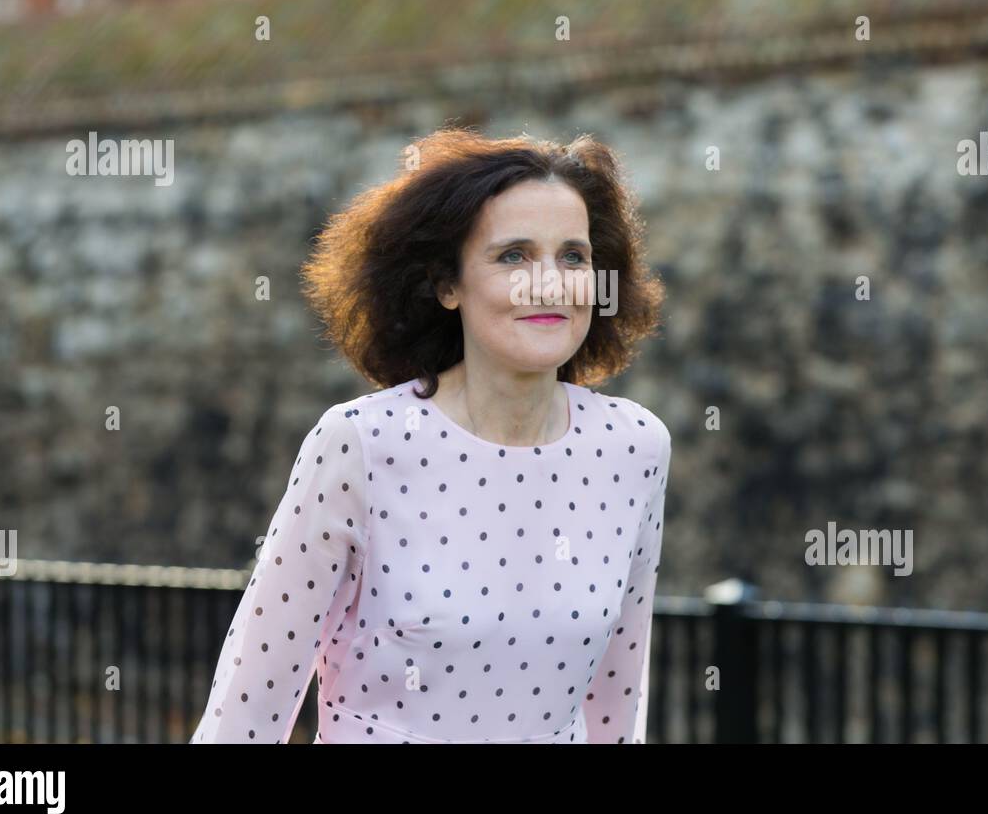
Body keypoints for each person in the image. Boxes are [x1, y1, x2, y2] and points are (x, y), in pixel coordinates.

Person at [190, 127, 670, 743]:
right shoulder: (360, 445)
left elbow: (617, 704)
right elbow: (247, 713)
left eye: (572, 256)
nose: (549, 282)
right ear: (448, 285)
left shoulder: (634, 448)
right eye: (512, 255)